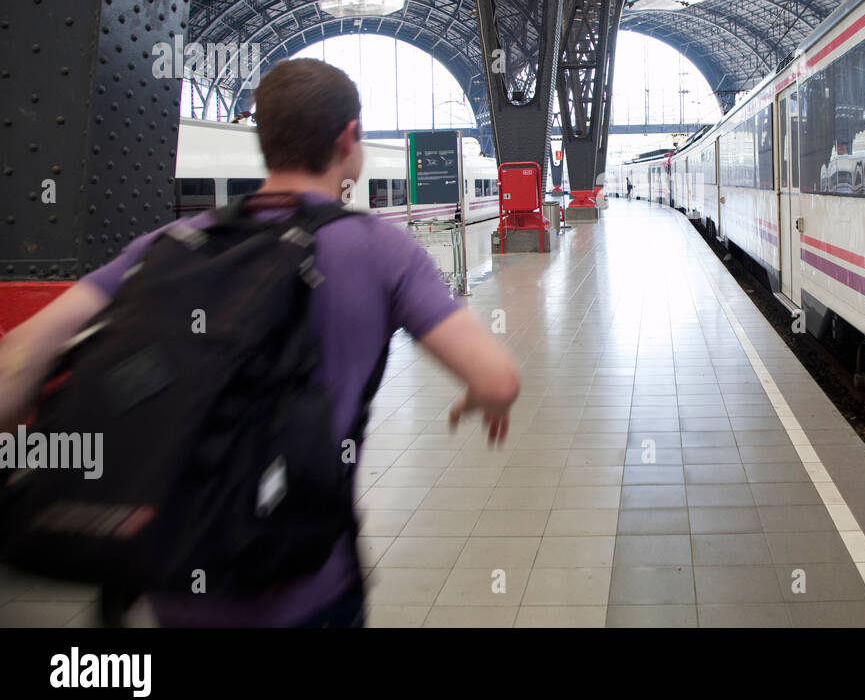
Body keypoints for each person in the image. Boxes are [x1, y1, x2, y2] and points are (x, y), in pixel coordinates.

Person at [0, 58, 520, 627]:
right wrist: (483, 396)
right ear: (349, 137)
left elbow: (17, 362)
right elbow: (497, 378)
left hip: (172, 583)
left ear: (262, 138)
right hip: (306, 589)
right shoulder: (380, 250)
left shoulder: (166, 244)